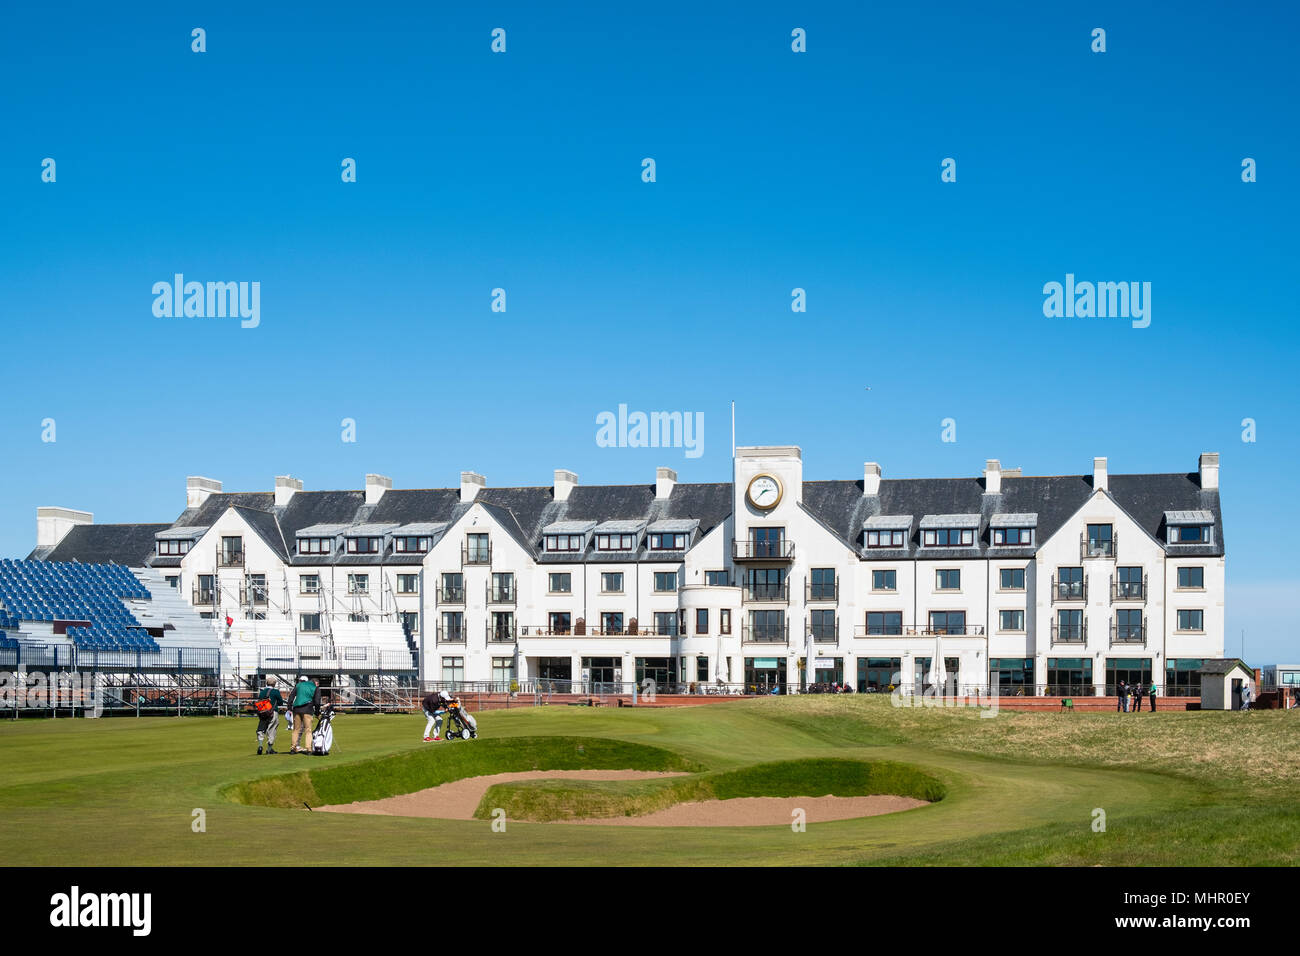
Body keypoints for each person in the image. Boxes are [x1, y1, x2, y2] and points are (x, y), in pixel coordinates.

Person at [288, 675, 321, 754]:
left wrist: (289, 707)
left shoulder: (298, 685)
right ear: (316, 683)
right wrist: (317, 712)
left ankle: (293, 748)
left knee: (296, 730)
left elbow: (291, 696)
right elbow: (317, 701)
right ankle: (309, 749)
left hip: (296, 709)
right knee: (308, 730)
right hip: (308, 709)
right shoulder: (315, 688)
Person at [254, 677, 284, 755]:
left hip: (263, 712)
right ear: (274, 684)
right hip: (272, 712)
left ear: (267, 683)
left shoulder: (262, 692)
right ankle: (269, 749)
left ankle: (260, 745)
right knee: (272, 730)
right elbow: (281, 703)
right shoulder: (276, 692)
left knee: (261, 729)